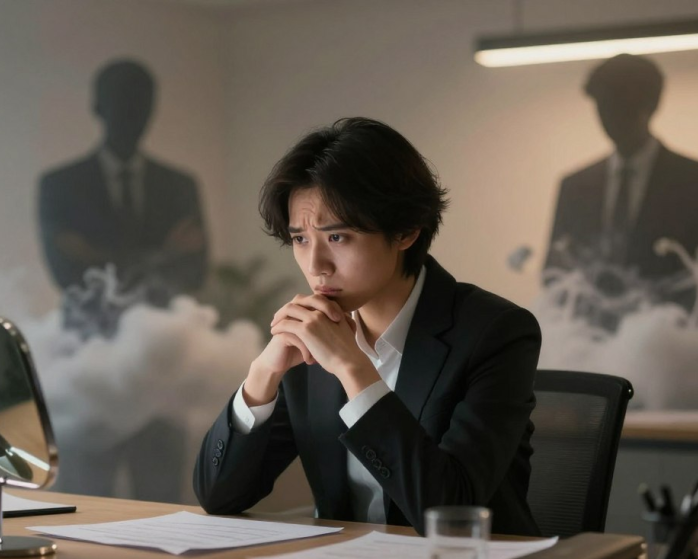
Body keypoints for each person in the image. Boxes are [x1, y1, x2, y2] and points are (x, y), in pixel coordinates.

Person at [193, 117, 542, 536]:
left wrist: (354, 370)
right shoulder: (311, 337)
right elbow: (219, 496)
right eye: (301, 240)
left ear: (406, 231)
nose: (315, 265)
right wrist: (261, 376)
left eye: (337, 238)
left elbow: (450, 510)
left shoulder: (496, 333)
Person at [544, 54, 698, 313]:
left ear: (650, 105)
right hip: (587, 344)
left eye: (619, 104)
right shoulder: (574, 187)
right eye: (603, 106)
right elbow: (553, 275)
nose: (610, 117)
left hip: (672, 342)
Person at [38, 59, 208, 312]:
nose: (134, 114)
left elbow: (195, 271)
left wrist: (95, 255)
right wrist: (163, 253)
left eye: (142, 104)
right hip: (88, 336)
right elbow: (67, 274)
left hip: (166, 330)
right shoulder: (60, 186)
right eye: (123, 101)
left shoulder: (179, 185)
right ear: (98, 107)